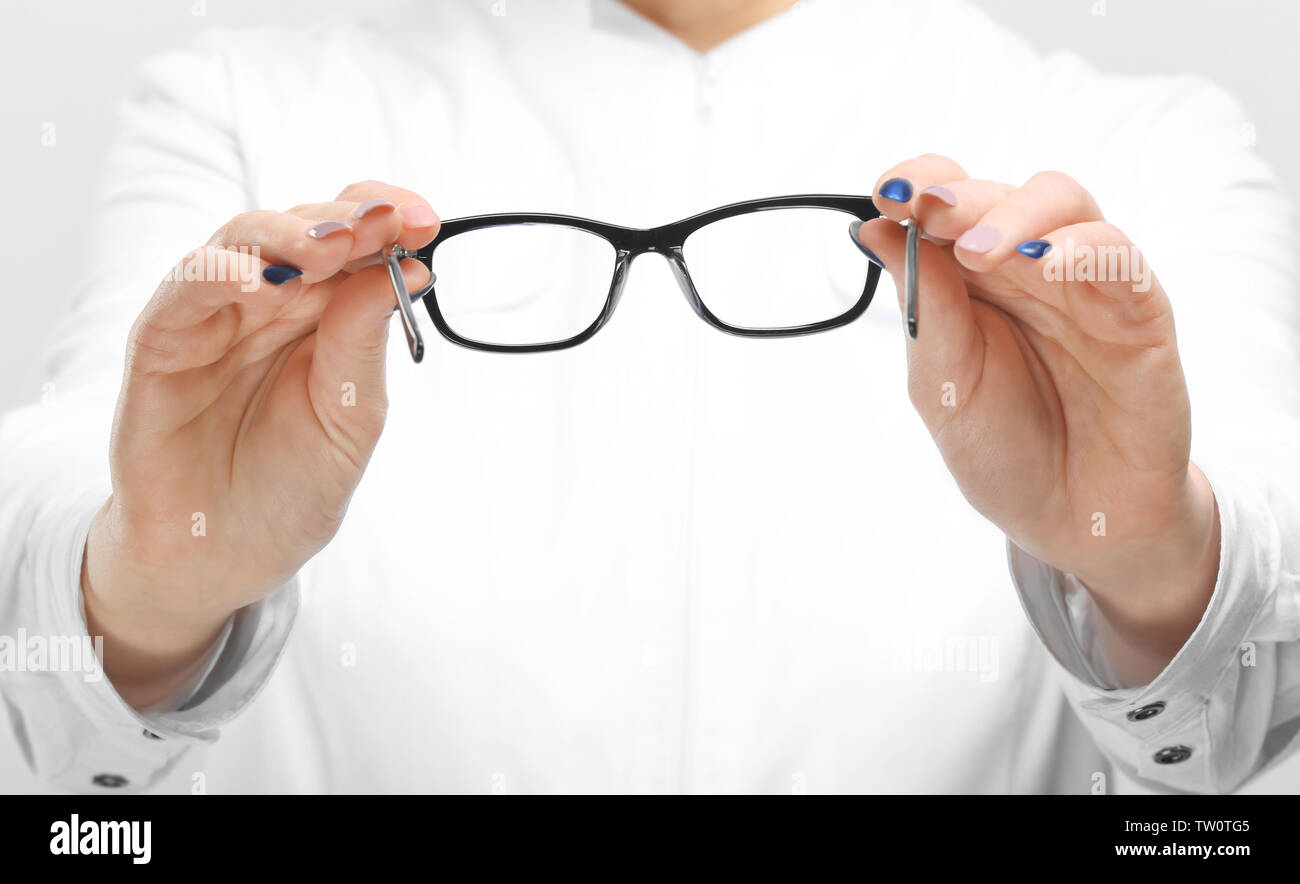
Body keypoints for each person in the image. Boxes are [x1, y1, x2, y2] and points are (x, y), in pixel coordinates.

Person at [1, 0, 1297, 794]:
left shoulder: (1136, 148)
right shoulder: (242, 114)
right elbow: (47, 653)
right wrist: (160, 580)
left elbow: (1245, 758)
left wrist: (1155, 561)